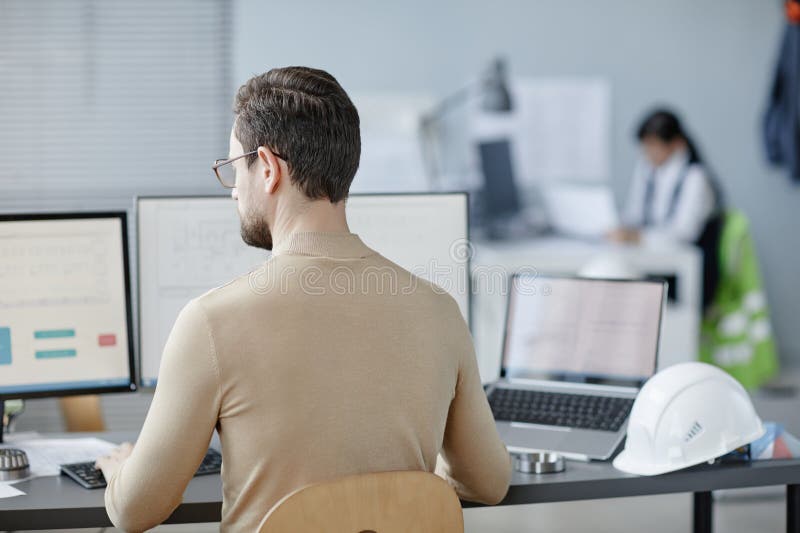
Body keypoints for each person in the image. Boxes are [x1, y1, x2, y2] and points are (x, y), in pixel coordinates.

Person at [94, 66, 511, 532]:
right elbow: (489, 482)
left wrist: (121, 471)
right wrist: (403, 482)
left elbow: (134, 511)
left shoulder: (210, 322)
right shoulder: (439, 312)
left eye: (234, 168)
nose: (233, 191)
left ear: (267, 168)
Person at [609, 109, 721, 246]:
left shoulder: (695, 177)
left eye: (653, 145)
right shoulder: (647, 170)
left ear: (677, 143)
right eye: (645, 146)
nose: (648, 153)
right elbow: (634, 213)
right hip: (653, 253)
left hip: (687, 256)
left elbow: (685, 234)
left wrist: (639, 237)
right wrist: (621, 229)